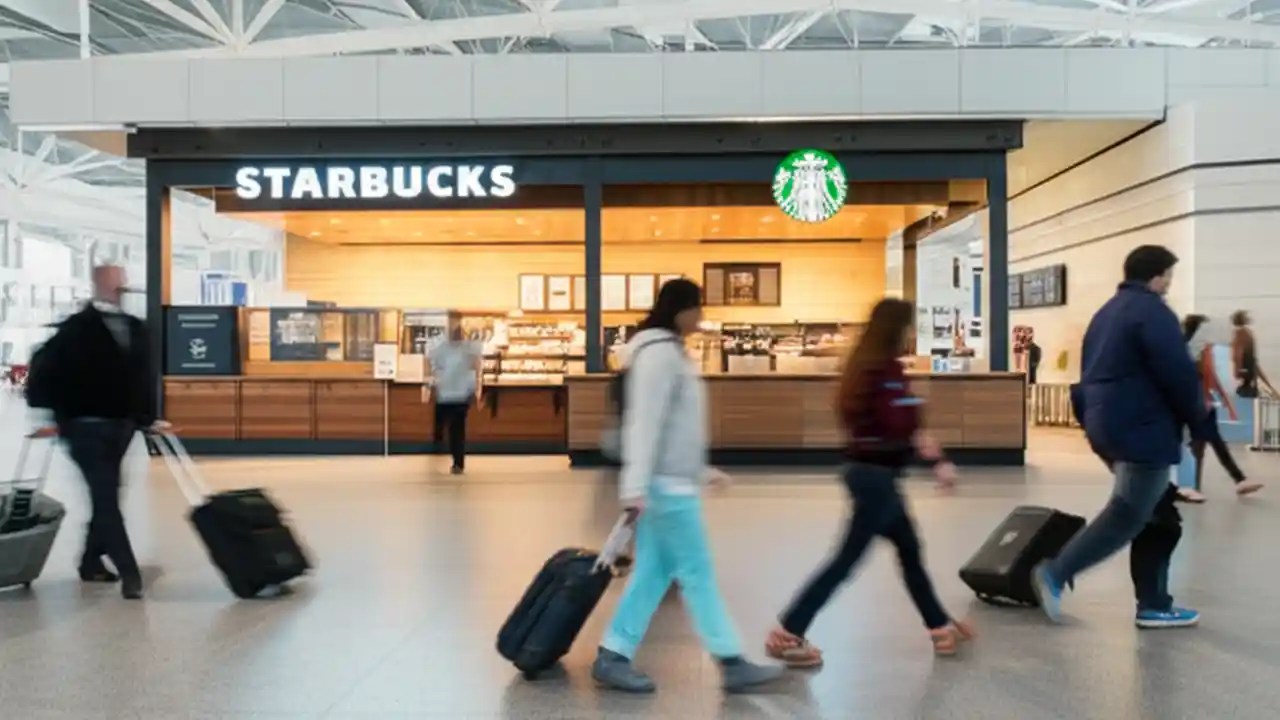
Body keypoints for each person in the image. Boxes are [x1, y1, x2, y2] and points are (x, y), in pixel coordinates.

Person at [592, 278, 781, 694]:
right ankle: (731, 660)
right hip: (664, 489)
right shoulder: (659, 356)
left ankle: (613, 654)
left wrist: (698, 470)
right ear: (681, 311)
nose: (703, 316)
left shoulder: (667, 352)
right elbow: (646, 423)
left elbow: (676, 425)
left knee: (654, 574)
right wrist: (636, 486)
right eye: (698, 308)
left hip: (671, 482)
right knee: (698, 572)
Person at [764, 298, 971, 668]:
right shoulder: (886, 369)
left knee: (909, 552)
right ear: (898, 329)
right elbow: (898, 422)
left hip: (869, 473)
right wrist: (927, 447)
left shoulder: (862, 365)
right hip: (876, 479)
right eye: (909, 326)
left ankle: (939, 625)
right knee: (847, 560)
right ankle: (789, 630)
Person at [1033, 245, 1211, 628]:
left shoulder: (1107, 313)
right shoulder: (1152, 312)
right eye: (1168, 277)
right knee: (1128, 515)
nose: (1168, 285)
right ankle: (1056, 573)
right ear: (1158, 275)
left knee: (1159, 515)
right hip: (1141, 428)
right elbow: (1178, 374)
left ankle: (1154, 603)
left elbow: (1089, 375)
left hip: (1107, 425)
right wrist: (1197, 421)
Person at [33, 265, 164, 600]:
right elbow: (45, 372)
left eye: (120, 283)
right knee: (106, 497)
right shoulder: (76, 329)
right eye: (111, 282)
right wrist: (54, 415)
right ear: (98, 284)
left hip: (121, 427)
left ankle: (91, 560)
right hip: (84, 428)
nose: (117, 288)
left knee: (107, 495)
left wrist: (148, 418)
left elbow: (144, 378)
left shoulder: (135, 329)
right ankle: (130, 572)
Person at [1176, 314, 1261, 503]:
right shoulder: (1188, 351)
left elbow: (1210, 376)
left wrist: (1224, 401)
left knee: (1208, 441)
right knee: (1201, 442)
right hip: (1194, 403)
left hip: (1202, 402)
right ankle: (1192, 486)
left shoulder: (1199, 350)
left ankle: (1196, 485)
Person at [425, 316, 482, 475]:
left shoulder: (464, 348)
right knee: (454, 429)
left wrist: (476, 388)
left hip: (456, 395)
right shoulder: (454, 348)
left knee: (455, 430)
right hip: (451, 394)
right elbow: (429, 361)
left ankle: (457, 462)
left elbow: (476, 366)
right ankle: (455, 459)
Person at [1231, 310, 1278, 399]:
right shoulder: (1248, 335)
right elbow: (1253, 364)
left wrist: (1237, 370)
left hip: (1245, 385)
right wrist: (1270, 388)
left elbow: (1237, 357)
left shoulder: (1239, 336)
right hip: (1251, 384)